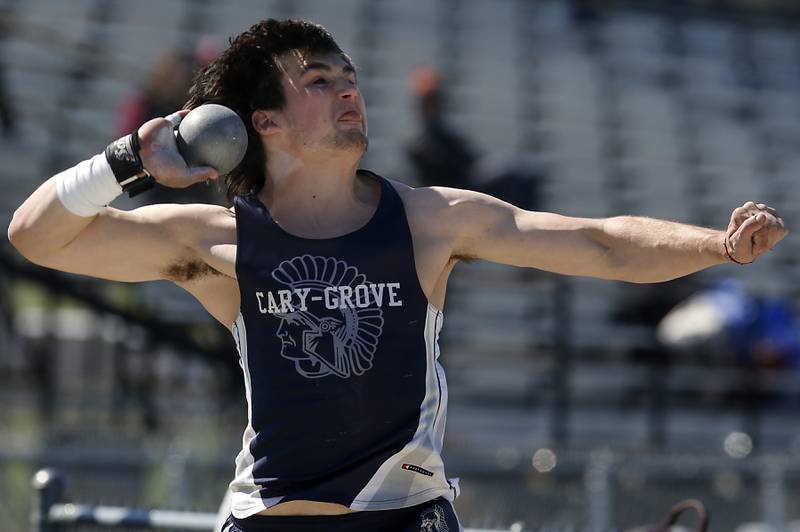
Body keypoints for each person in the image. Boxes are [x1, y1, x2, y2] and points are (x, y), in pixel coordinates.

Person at [6, 19, 787, 532]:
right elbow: (38, 239)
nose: (348, 88)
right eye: (318, 80)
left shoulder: (430, 220)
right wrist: (124, 164)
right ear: (263, 124)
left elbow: (603, 244)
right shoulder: (216, 242)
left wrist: (718, 246)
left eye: (348, 75)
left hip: (404, 514)